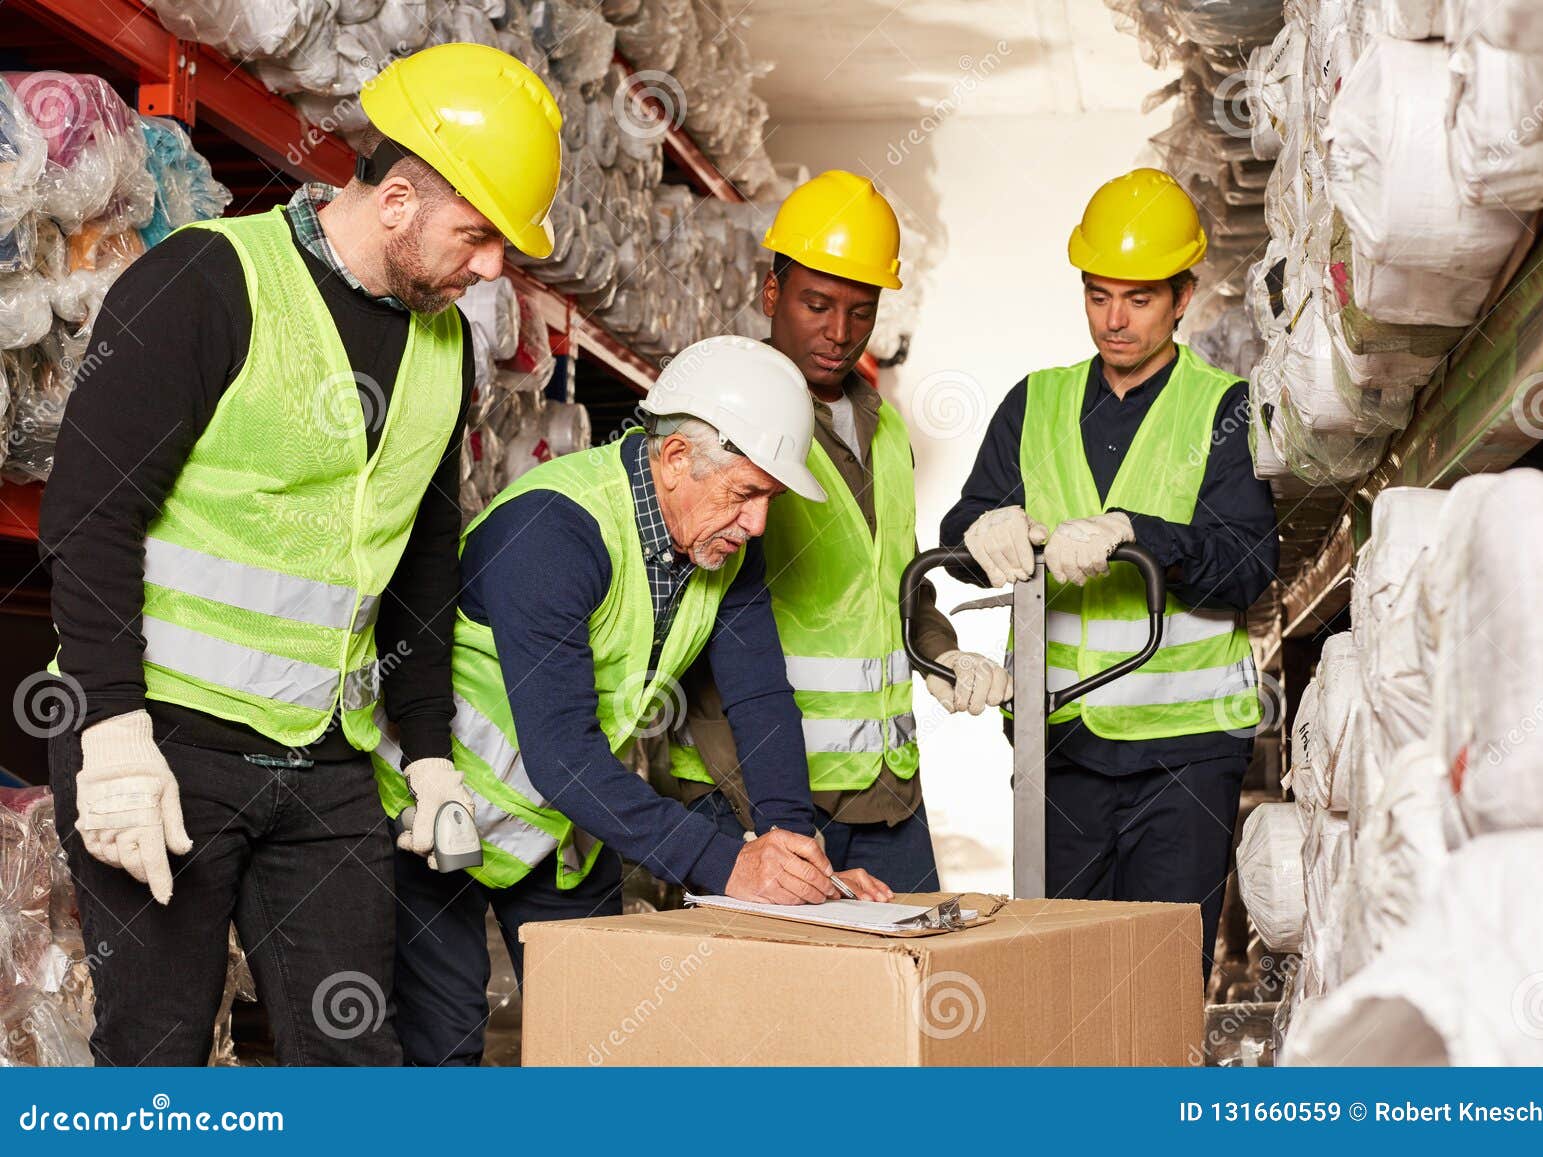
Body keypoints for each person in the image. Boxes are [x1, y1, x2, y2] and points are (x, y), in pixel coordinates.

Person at [38, 42, 563, 1065]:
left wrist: (429, 755)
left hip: (324, 761)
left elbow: (422, 563)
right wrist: (111, 732)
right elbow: (90, 514)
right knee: (157, 1053)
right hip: (163, 743)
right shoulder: (208, 282)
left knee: (355, 1054)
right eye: (478, 235)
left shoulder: (445, 347)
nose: (493, 268)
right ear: (398, 201)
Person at [377, 335, 892, 1066]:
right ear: (676, 457)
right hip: (439, 818)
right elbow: (562, 753)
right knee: (449, 1043)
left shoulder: (722, 545)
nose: (757, 524)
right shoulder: (552, 530)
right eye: (745, 494)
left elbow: (761, 697)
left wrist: (794, 854)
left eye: (769, 499)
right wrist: (729, 863)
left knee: (604, 1042)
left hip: (563, 827)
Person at [939, 168, 1279, 986]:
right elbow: (961, 532)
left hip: (1186, 758)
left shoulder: (1224, 408)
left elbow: (1247, 567)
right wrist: (980, 531)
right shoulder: (1035, 403)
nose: (1114, 320)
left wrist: (1139, 534)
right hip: (1062, 749)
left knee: (1158, 982)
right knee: (1060, 978)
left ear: (1183, 297)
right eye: (1098, 296)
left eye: (1138, 299)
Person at [667, 172, 1010, 894]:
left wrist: (942, 654)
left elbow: (898, 584)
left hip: (885, 793)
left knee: (915, 957)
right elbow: (696, 611)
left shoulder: (887, 431)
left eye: (861, 311)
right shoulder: (722, 421)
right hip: (754, 796)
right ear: (772, 294)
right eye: (816, 304)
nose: (839, 332)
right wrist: (764, 817)